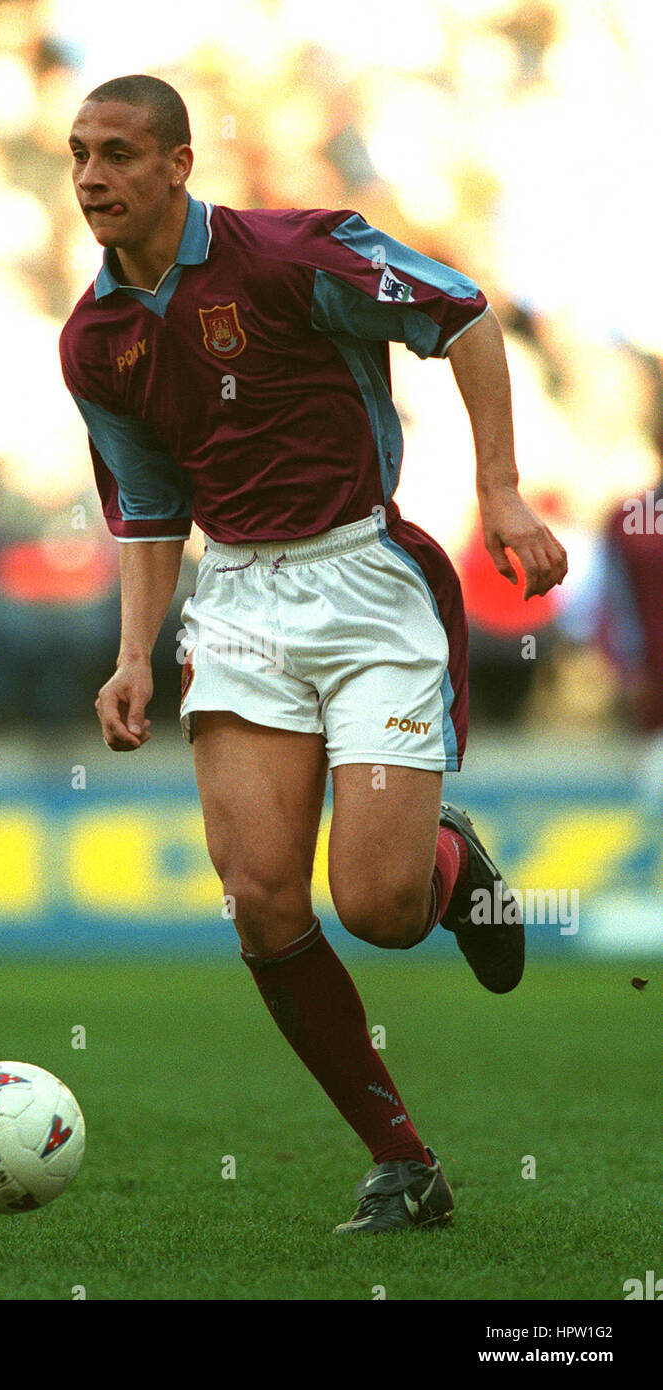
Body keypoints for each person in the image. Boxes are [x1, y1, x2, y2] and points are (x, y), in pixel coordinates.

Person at [59, 74, 568, 1234]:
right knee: (258, 900)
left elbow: (462, 314)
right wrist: (134, 653)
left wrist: (497, 489)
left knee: (379, 908)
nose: (92, 176)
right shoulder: (93, 340)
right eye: (78, 154)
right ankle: (404, 1164)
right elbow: (145, 507)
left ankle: (440, 859)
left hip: (361, 579)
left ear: (179, 165)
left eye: (120, 154)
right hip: (234, 597)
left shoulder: (294, 255)